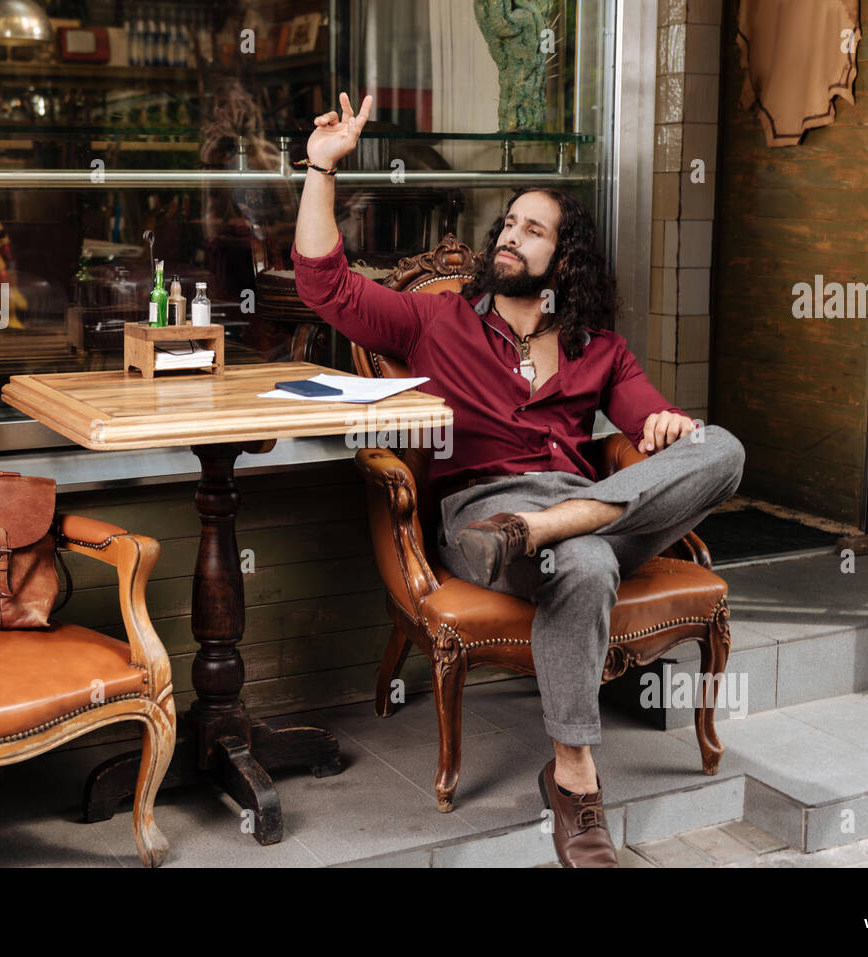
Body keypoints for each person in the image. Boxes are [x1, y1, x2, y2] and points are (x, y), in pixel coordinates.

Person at [291, 93, 745, 868]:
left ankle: (561, 525)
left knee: (722, 447)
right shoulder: (439, 323)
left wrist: (666, 427)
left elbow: (652, 420)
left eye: (532, 230)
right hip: (487, 516)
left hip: (568, 516)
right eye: (507, 224)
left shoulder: (599, 349)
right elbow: (326, 288)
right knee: (594, 556)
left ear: (564, 259)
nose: (508, 236)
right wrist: (320, 168)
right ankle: (575, 780)